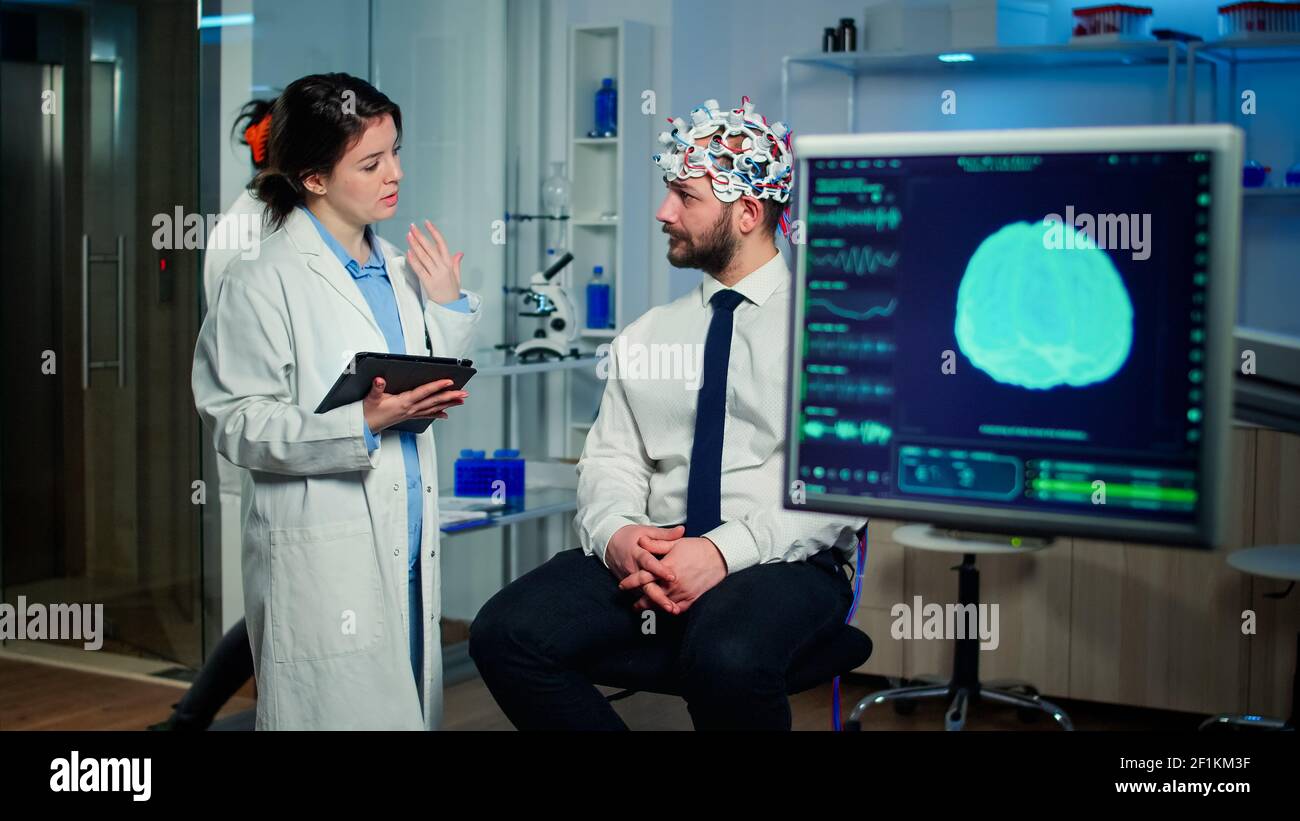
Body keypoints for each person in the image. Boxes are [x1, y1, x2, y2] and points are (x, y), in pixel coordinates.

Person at [469, 97, 865, 730]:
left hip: (781, 558)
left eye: (684, 196)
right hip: (653, 551)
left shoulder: (831, 330)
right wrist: (617, 534)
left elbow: (841, 487)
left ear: (747, 211)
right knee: (504, 633)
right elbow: (611, 459)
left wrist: (721, 552)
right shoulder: (648, 334)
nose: (662, 212)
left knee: (727, 657)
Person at [192, 72, 479, 730]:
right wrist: (363, 421)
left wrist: (447, 306)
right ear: (315, 178)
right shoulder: (262, 279)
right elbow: (237, 422)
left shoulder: (402, 269)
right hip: (322, 549)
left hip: (403, 541)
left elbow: (425, 372)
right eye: (372, 163)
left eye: (397, 153)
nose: (395, 174)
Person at [152, 99, 275, 732]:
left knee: (274, 604)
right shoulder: (250, 232)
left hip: (291, 441)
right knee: (274, 604)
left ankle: (188, 718)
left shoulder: (268, 222)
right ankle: (188, 718)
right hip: (273, 444)